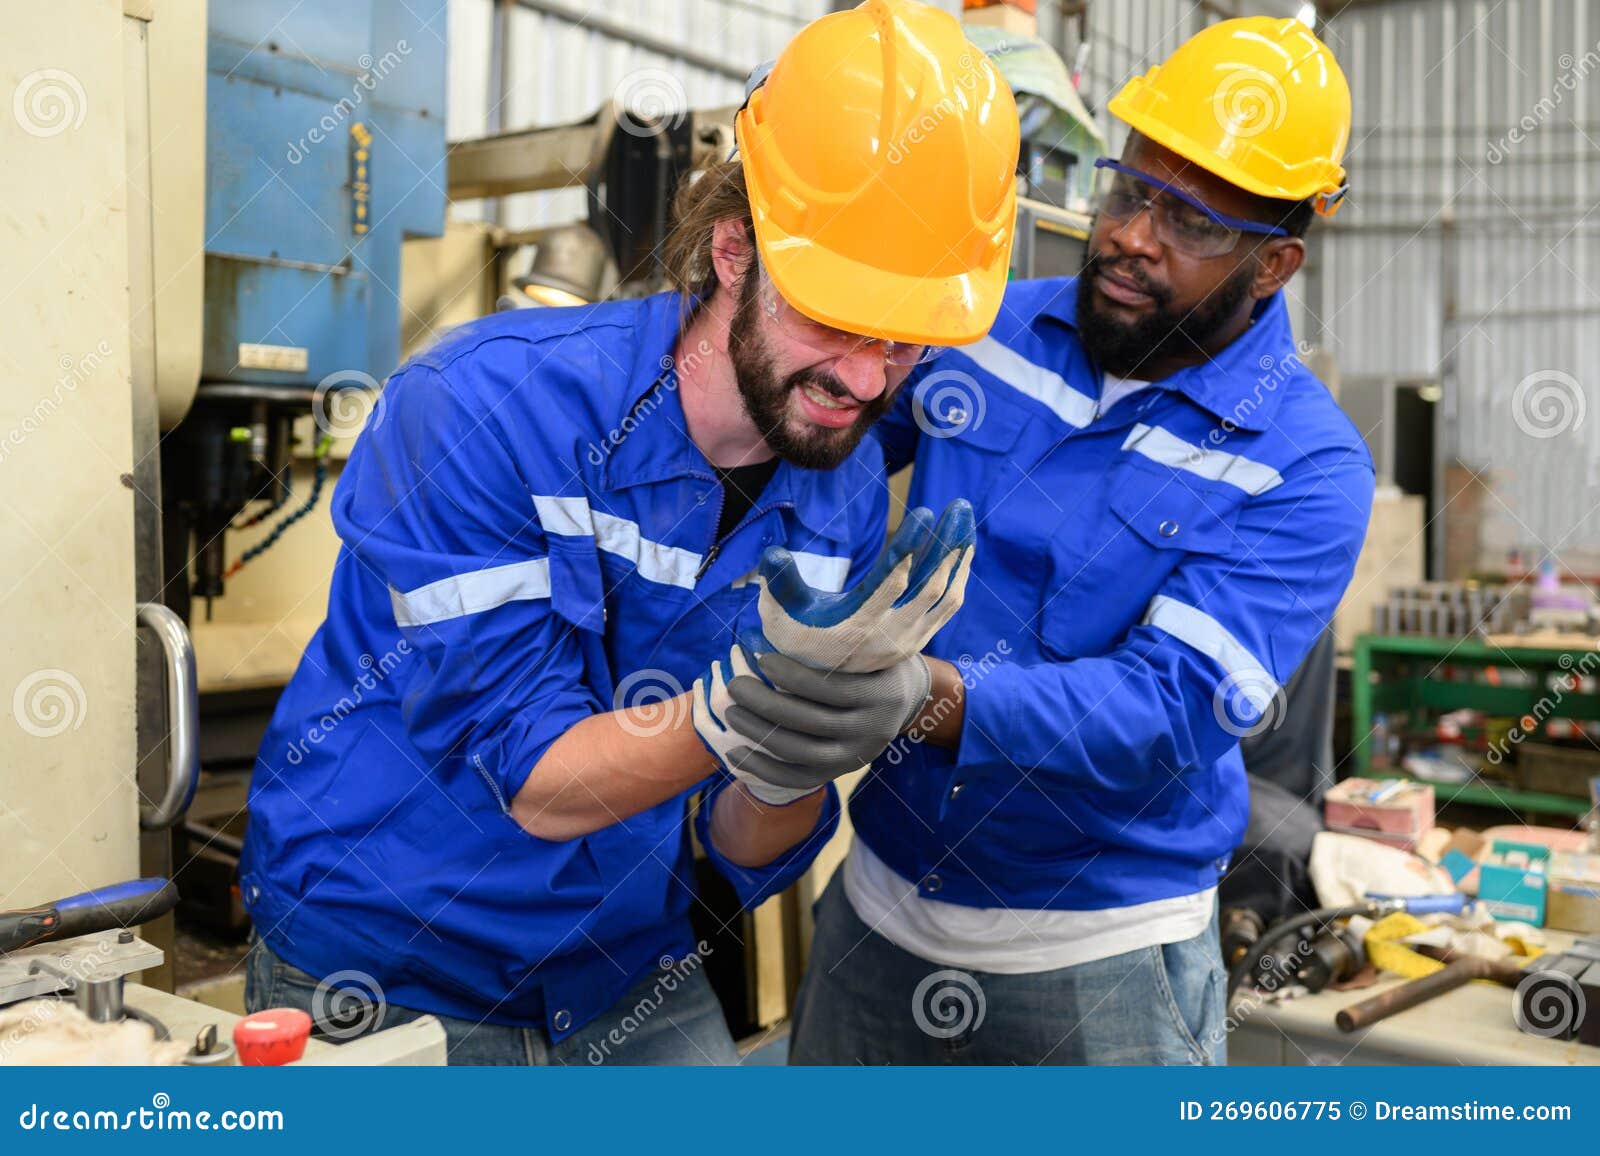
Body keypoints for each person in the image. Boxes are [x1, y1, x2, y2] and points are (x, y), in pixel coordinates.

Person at [238, 0, 1019, 1066]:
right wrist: (751, 709)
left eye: (907, 341)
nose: (865, 378)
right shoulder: (480, 408)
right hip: (386, 975)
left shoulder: (835, 489)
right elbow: (540, 780)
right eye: (835, 318)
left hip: (621, 971)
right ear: (735, 252)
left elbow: (740, 842)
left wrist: (809, 750)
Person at [776, 16, 1376, 1065]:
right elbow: (823, 448)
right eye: (1129, 190)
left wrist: (922, 696)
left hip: (1101, 968)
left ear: (1274, 263)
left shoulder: (1304, 465)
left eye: (1190, 223)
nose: (1133, 236)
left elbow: (1168, 710)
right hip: (874, 921)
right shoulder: (982, 331)